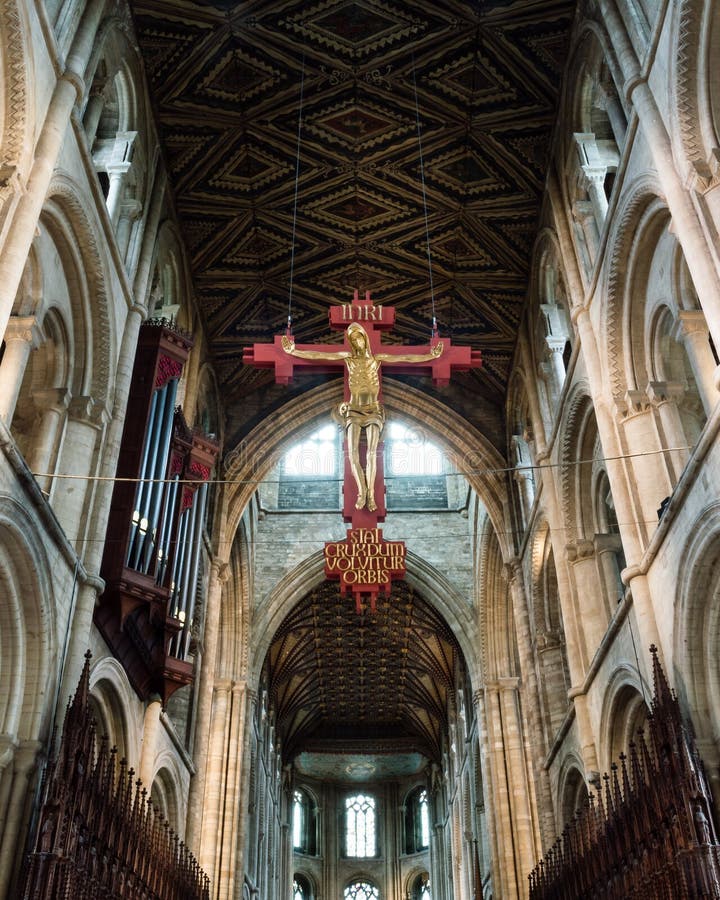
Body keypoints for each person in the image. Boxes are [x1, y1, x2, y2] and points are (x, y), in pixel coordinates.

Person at [282, 322, 443, 511]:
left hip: (373, 410)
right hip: (353, 411)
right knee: (352, 454)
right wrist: (294, 351)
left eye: (358, 338)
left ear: (364, 339)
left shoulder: (377, 359)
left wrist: (431, 355)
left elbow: (405, 358)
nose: (356, 342)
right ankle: (361, 492)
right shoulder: (348, 359)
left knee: (372, 454)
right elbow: (320, 355)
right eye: (353, 339)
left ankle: (371, 495)